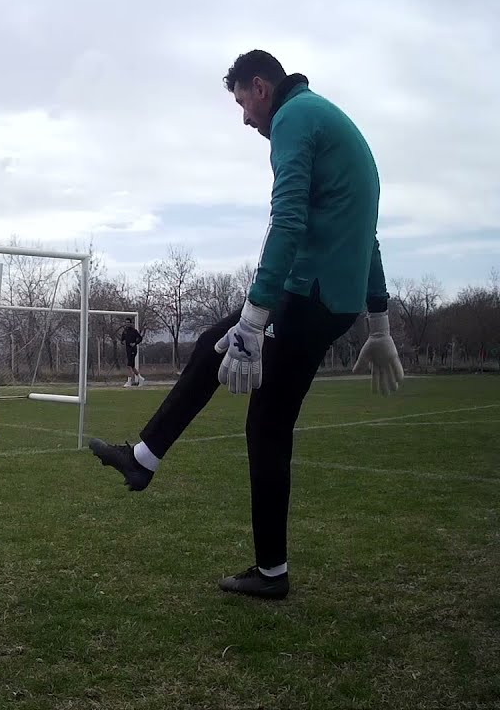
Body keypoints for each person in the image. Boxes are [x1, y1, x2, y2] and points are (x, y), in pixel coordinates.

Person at [87, 50, 405, 599]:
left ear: (261, 87)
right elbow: (368, 236)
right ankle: (260, 562)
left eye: (241, 103)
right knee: (251, 400)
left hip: (307, 295)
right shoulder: (328, 121)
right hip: (334, 302)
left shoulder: (293, 119)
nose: (244, 119)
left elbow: (288, 220)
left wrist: (256, 318)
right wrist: (377, 324)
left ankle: (146, 463)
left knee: (241, 380)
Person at [119, 318, 145, 387]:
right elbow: (122, 340)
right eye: (126, 322)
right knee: (132, 367)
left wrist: (135, 343)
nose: (127, 324)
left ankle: (129, 381)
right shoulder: (125, 331)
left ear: (131, 323)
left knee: (129, 366)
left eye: (128, 322)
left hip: (133, 350)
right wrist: (122, 342)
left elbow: (140, 338)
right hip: (128, 350)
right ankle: (141, 378)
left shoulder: (134, 331)